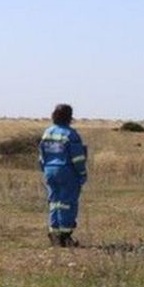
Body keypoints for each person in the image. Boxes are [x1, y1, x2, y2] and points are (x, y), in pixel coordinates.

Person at [39, 103, 88, 246]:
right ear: (69, 117)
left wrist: (45, 168)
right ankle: (65, 236)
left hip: (49, 170)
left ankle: (54, 233)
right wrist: (82, 173)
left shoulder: (47, 132)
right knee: (67, 203)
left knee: (54, 201)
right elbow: (77, 158)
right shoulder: (70, 134)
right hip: (67, 171)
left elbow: (42, 154)